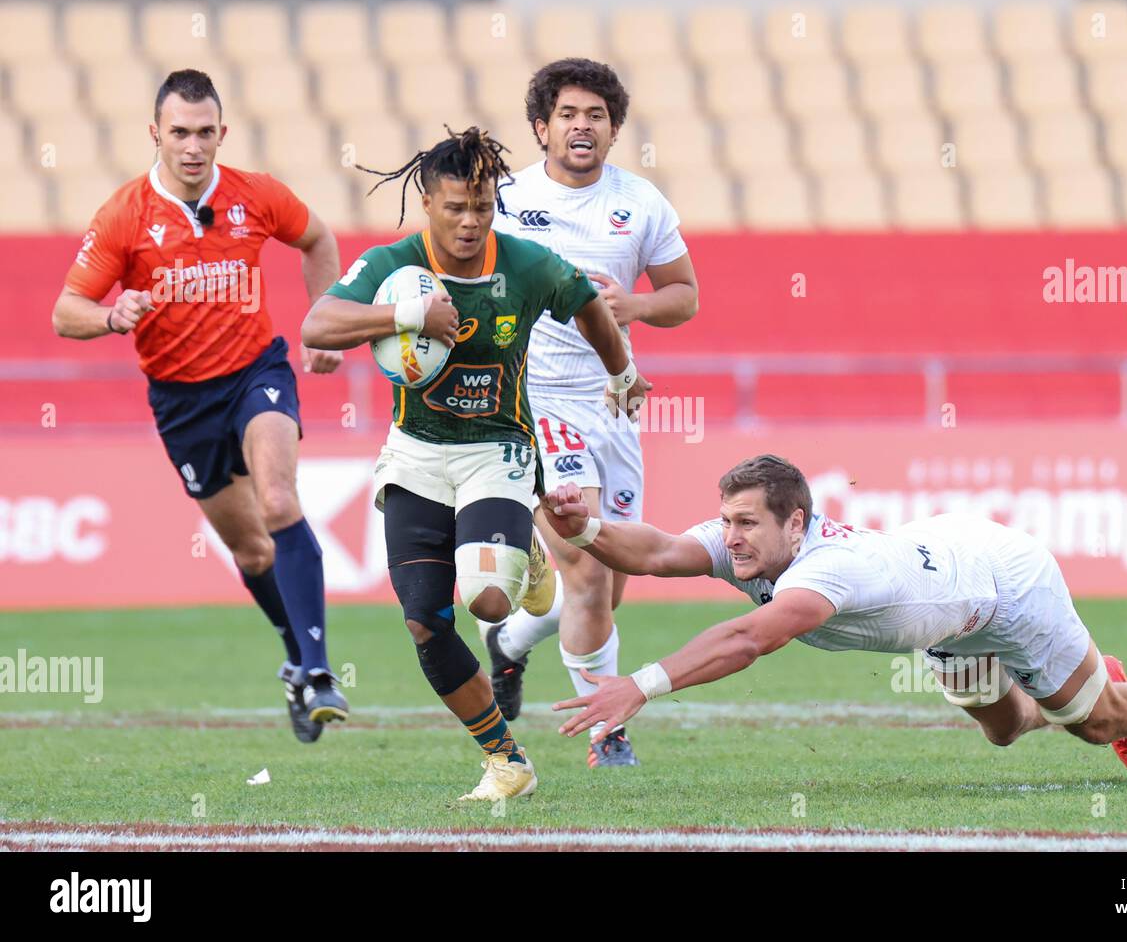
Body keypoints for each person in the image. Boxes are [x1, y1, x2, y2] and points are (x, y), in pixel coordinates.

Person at [544, 455, 1127, 781]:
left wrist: (638, 683)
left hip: (1002, 584)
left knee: (1098, 719)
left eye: (745, 523)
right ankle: (1091, 685)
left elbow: (748, 637)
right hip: (948, 605)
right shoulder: (751, 541)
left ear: (796, 524)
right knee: (1008, 728)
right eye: (726, 519)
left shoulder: (825, 572)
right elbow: (662, 550)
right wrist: (582, 529)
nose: (729, 537)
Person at [301, 126, 647, 800]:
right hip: (415, 456)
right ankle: (505, 759)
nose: (469, 221)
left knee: (487, 596)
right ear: (427, 200)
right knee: (425, 619)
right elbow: (317, 325)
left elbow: (589, 309)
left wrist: (624, 371)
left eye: (483, 206)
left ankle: (527, 558)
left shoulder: (526, 265)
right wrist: (407, 315)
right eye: (456, 206)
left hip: (499, 450)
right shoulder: (394, 266)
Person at [52, 69, 349, 742]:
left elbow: (319, 239)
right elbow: (65, 312)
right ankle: (297, 662)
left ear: (223, 134)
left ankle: (322, 670)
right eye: (179, 132)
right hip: (181, 401)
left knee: (278, 500)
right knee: (250, 551)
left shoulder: (256, 194)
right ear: (155, 134)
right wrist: (109, 315)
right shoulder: (124, 215)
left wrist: (323, 320)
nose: (193, 146)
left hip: (255, 372)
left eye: (205, 132)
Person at [480, 58, 699, 768]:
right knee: (582, 563)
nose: (583, 125)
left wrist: (631, 305)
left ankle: (511, 641)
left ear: (612, 129)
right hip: (533, 397)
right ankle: (608, 734)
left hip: (612, 401)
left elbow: (684, 295)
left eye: (596, 115)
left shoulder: (640, 203)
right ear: (542, 127)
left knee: (605, 580)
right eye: (569, 114)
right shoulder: (505, 200)